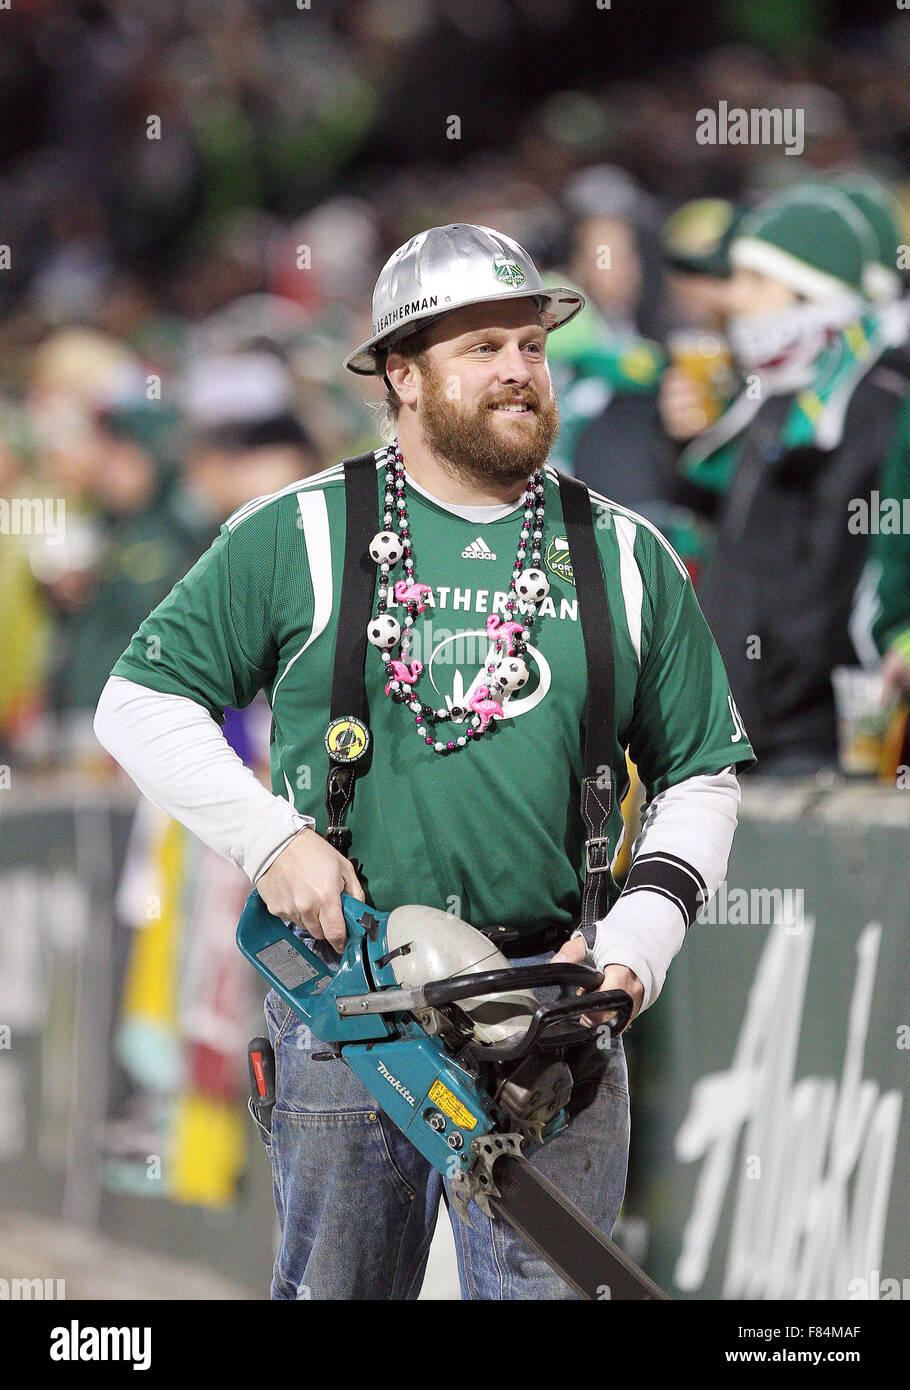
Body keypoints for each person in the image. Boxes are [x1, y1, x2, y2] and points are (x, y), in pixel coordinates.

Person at [94, 223, 755, 1300]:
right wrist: (272, 840)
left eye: (530, 345)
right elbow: (137, 703)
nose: (516, 370)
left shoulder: (623, 553)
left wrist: (637, 940)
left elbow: (702, 776)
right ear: (400, 373)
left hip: (557, 1016)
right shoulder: (300, 531)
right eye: (481, 347)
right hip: (349, 1016)